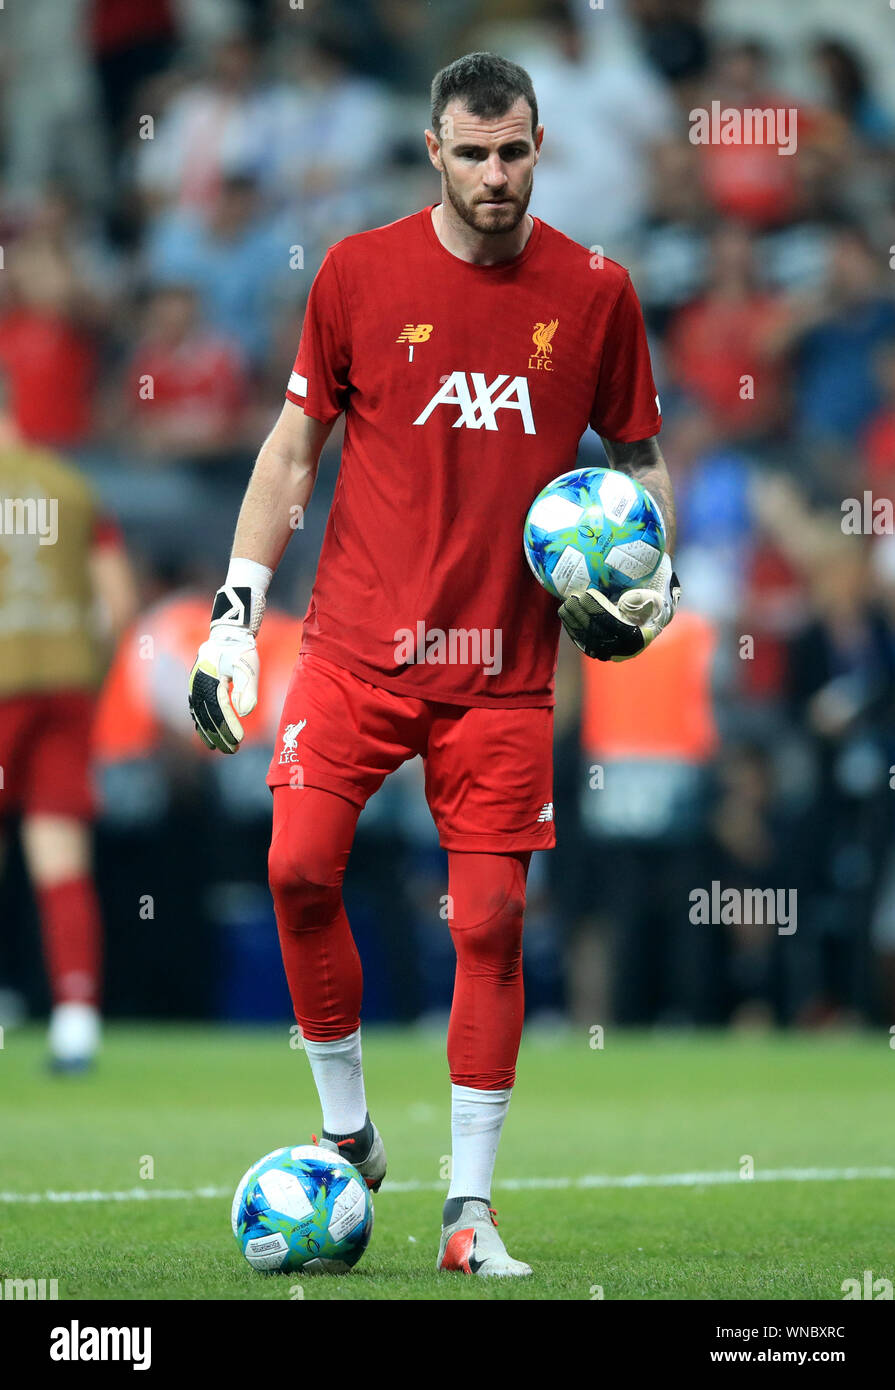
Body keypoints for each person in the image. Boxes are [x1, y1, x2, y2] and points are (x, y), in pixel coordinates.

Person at [187, 51, 680, 1276]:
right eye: (473, 153)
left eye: (514, 151)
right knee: (298, 868)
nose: (496, 175)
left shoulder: (598, 289)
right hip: (358, 646)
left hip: (503, 665)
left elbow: (640, 459)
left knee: (494, 921)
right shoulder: (357, 272)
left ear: (539, 145)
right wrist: (235, 612)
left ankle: (468, 1214)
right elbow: (294, 450)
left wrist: (655, 582)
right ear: (433, 151)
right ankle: (348, 1132)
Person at [0, 380, 136, 1067]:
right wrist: (91, 675)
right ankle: (76, 1019)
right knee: (60, 860)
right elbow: (119, 601)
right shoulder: (71, 486)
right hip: (64, 688)